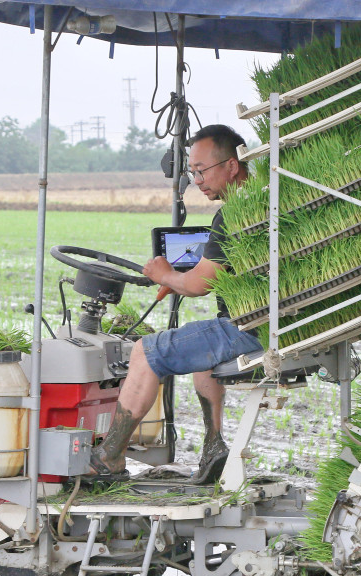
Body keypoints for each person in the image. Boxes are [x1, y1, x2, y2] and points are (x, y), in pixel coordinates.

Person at [88, 124, 263, 483]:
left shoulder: (235, 213)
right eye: (191, 172)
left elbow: (199, 283)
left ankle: (109, 458)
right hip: (265, 324)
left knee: (144, 352)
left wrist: (165, 274)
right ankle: (213, 445)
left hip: (248, 329)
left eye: (202, 170)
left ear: (232, 165)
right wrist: (175, 279)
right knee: (203, 354)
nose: (196, 180)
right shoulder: (264, 200)